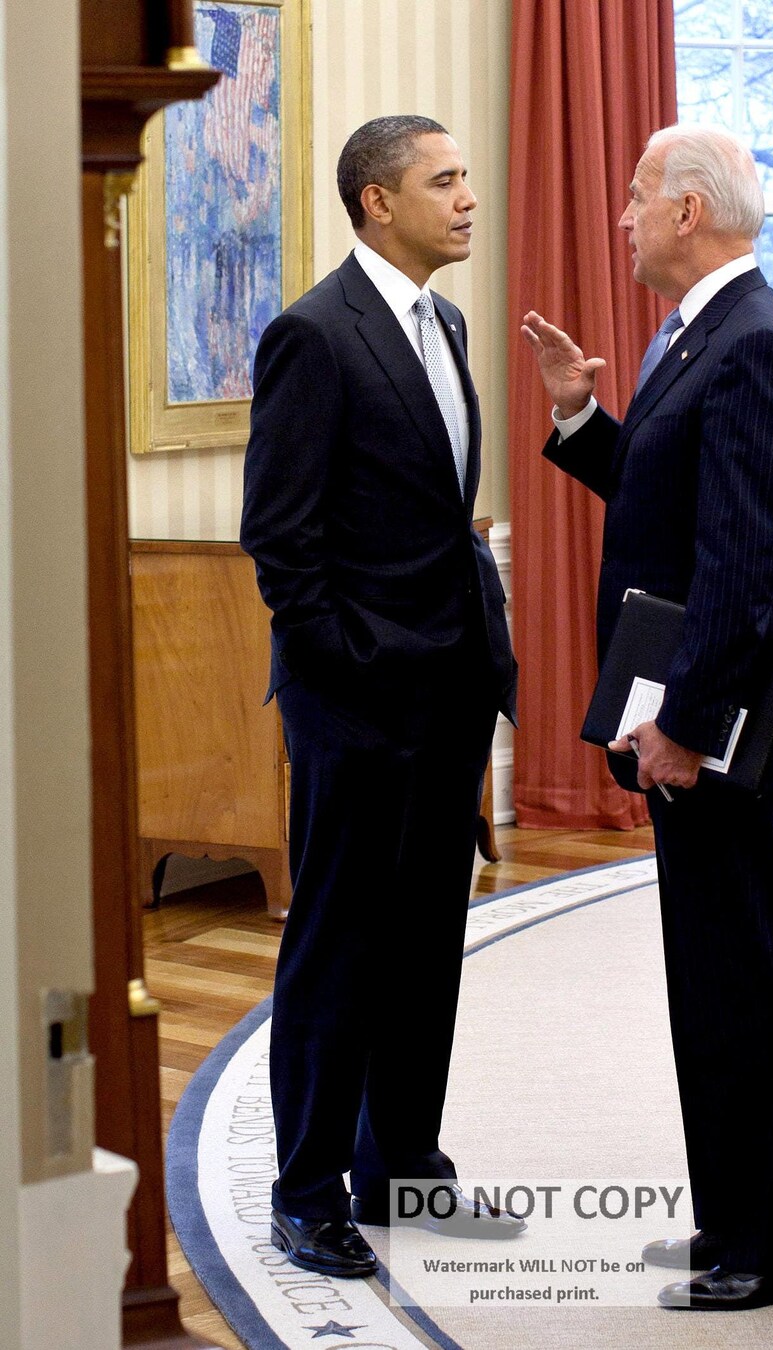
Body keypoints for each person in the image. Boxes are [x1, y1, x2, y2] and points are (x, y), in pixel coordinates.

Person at [522, 124, 773, 1311]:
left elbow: (749, 563)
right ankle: (734, 1220)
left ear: (690, 210)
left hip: (726, 733)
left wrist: (687, 727)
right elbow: (674, 506)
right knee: (709, 979)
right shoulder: (701, 333)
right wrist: (578, 421)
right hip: (700, 719)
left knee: (744, 979)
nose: (624, 217)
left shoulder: (752, 345)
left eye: (638, 197)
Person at [241, 114, 522, 1279]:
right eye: (443, 181)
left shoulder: (443, 319)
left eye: (465, 179)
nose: (467, 199)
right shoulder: (313, 333)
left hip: (448, 694)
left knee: (425, 948)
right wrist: (355, 668)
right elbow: (281, 541)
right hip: (358, 703)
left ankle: (401, 1169)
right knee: (341, 949)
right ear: (375, 201)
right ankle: (306, 1195)